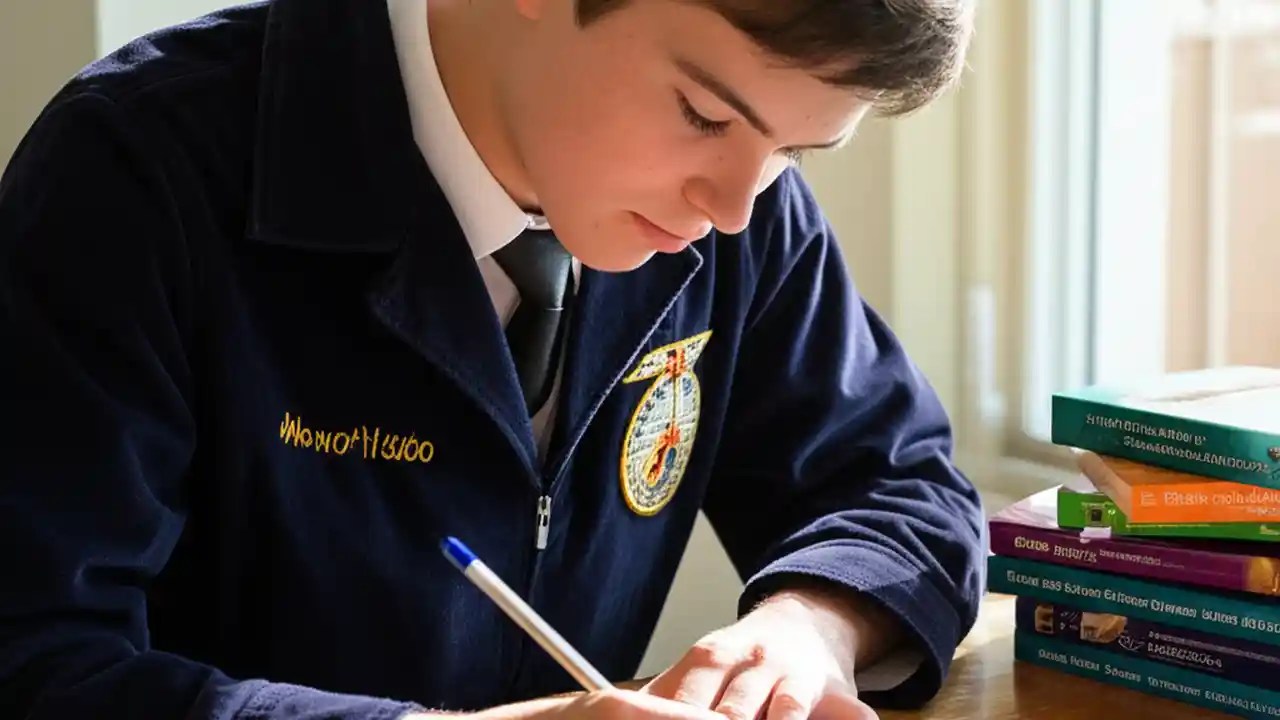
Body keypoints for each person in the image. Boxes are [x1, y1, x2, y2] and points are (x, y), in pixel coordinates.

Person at [0, 0, 986, 719]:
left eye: (794, 154)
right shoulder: (135, 172)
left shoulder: (740, 212)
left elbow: (899, 485)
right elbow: (38, 661)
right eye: (703, 114)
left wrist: (809, 626)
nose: (732, 208)